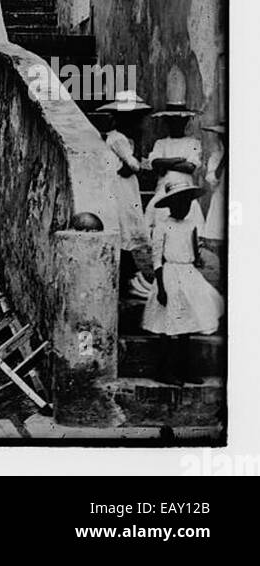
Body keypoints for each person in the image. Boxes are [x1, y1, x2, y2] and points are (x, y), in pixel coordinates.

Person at [142, 175, 224, 385]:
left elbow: (192, 249)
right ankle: (164, 370)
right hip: (169, 276)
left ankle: (185, 369)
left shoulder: (190, 225)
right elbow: (157, 258)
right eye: (179, 203)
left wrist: (196, 259)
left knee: (187, 323)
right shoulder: (162, 226)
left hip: (188, 275)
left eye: (187, 203)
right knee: (168, 325)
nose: (184, 207)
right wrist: (161, 287)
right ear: (170, 205)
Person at [93, 91, 152, 296]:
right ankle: (130, 276)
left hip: (127, 186)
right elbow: (132, 165)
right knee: (125, 227)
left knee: (128, 226)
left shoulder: (125, 139)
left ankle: (133, 276)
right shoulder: (118, 139)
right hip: (120, 187)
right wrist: (138, 164)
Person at [144, 100, 204, 233]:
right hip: (164, 190)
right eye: (171, 121)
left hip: (185, 190)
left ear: (185, 122)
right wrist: (177, 160)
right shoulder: (160, 143)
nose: (176, 124)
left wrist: (165, 162)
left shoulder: (193, 142)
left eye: (179, 121)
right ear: (167, 122)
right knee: (159, 221)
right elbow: (155, 163)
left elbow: (189, 167)